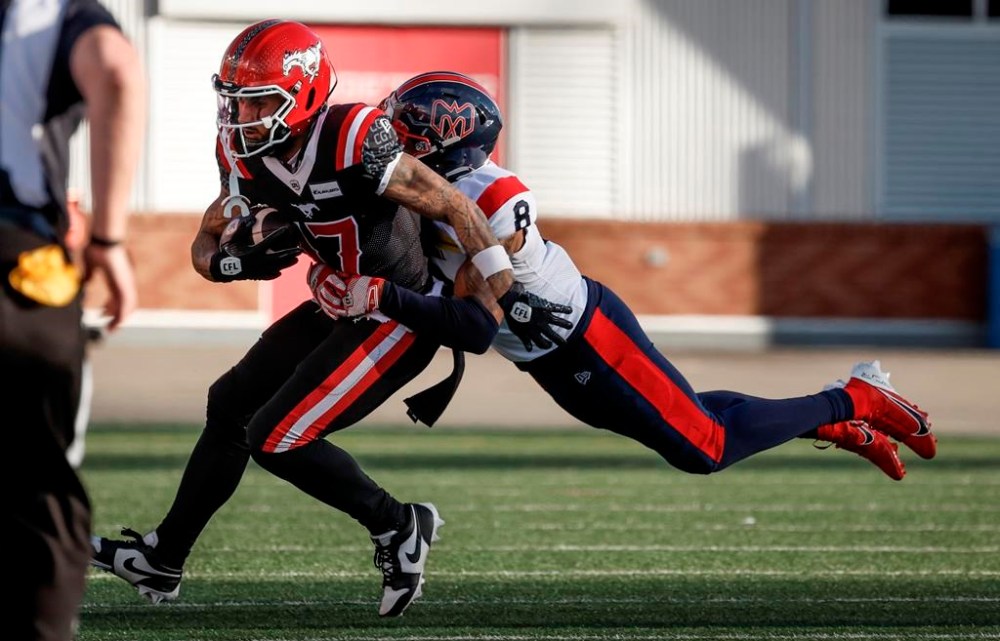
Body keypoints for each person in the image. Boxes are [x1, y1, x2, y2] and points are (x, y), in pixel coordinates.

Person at [90, 20, 569, 619]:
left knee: (276, 436)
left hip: (396, 313)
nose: (243, 115)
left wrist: (506, 291)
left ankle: (400, 525)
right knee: (230, 403)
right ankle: (164, 558)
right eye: (236, 99)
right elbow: (206, 247)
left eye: (260, 100)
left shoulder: (353, 136)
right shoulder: (239, 150)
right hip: (339, 300)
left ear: (305, 94)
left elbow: (455, 205)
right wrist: (233, 259)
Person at [310, 71, 937, 484]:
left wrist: (380, 296)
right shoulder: (427, 189)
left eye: (408, 131)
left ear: (451, 143)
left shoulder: (488, 198)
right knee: (682, 418)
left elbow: (475, 325)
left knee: (704, 448)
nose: (393, 142)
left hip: (584, 336)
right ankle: (833, 422)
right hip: (549, 356)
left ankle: (856, 397)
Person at [2, 0, 144, 638]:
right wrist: (108, 242)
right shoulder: (48, 13)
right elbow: (116, 71)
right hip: (16, 265)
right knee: (41, 500)